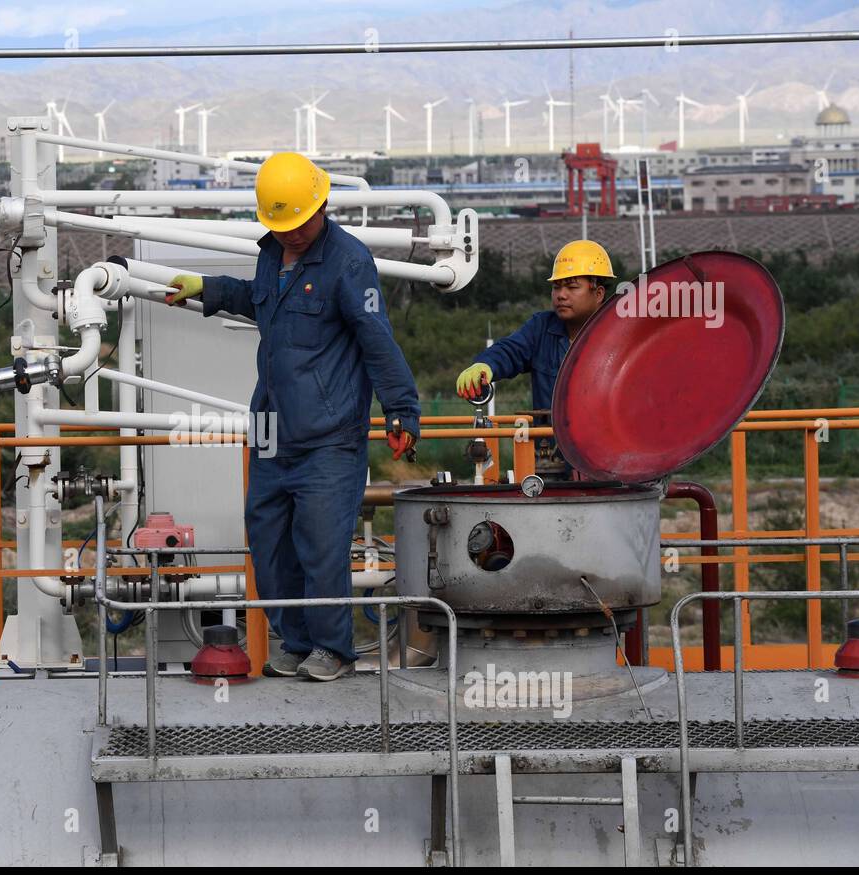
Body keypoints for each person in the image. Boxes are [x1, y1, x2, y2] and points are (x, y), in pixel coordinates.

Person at [166, 152, 421, 682]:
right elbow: (261, 302)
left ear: (322, 205)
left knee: (321, 544)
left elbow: (377, 341)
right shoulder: (271, 253)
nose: (292, 234)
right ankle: (294, 640)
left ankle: (332, 649)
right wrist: (208, 289)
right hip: (269, 430)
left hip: (329, 436)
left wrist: (401, 409)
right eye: (281, 225)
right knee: (270, 545)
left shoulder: (349, 262)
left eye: (299, 222)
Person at [455, 239, 615, 476]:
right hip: (552, 464)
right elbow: (510, 350)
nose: (561, 295)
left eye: (571, 288)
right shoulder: (541, 328)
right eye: (556, 287)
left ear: (598, 292)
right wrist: (485, 365)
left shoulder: (618, 335)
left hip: (608, 466)